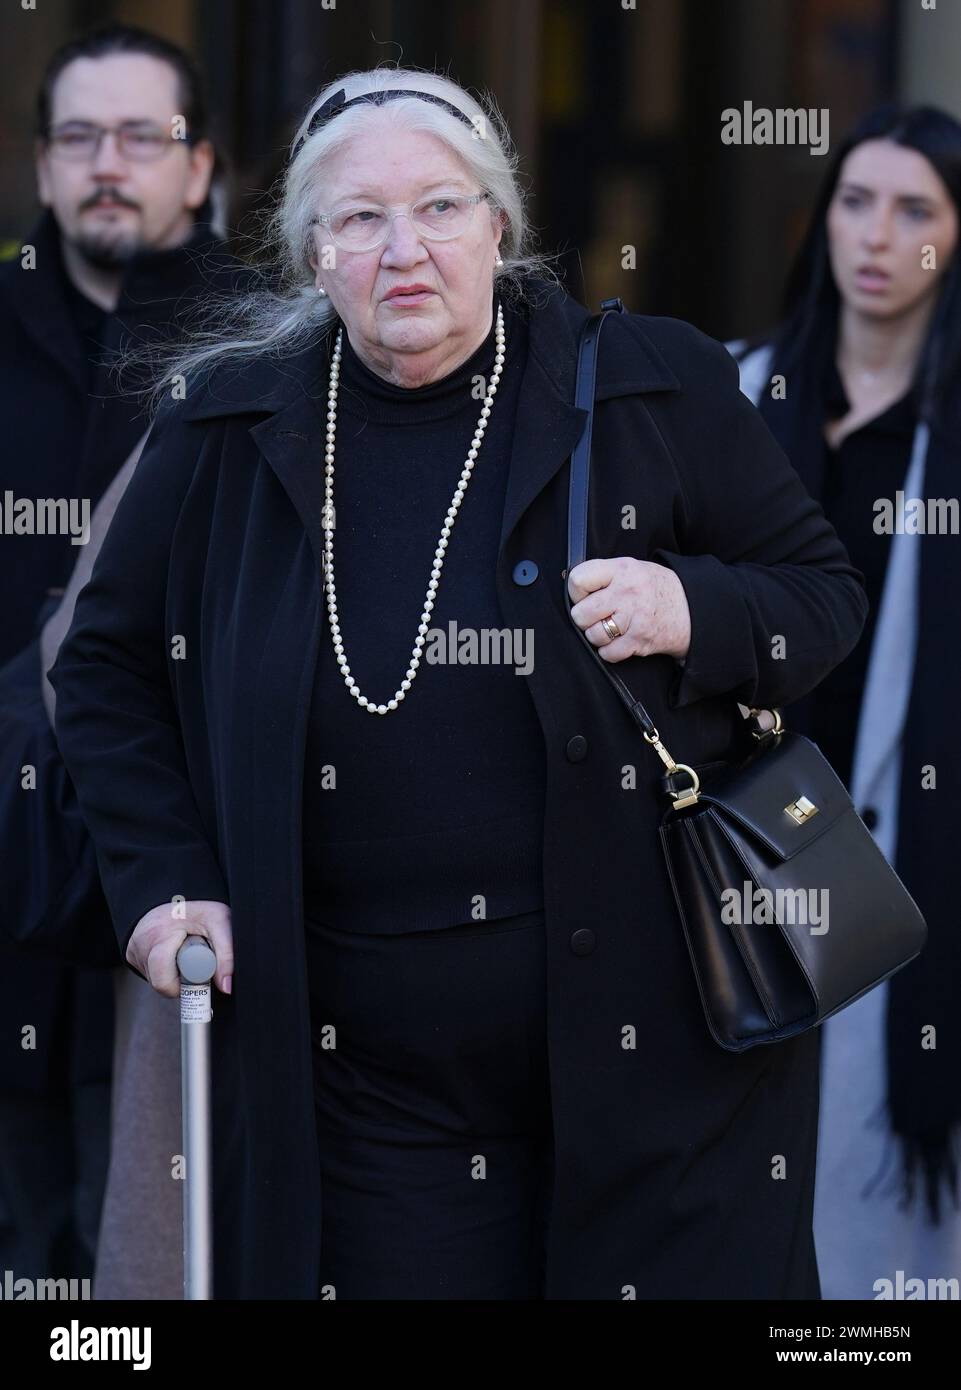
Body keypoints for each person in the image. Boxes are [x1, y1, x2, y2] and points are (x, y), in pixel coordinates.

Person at [50, 66, 868, 1301]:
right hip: (368, 1080)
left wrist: (690, 606)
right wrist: (166, 880)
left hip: (660, 1046)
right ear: (311, 251)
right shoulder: (225, 424)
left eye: (439, 207)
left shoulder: (655, 380)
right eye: (359, 219)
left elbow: (822, 596)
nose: (403, 251)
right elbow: (104, 667)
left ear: (499, 223)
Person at [0, 22, 242, 1296]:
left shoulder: (265, 352)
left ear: (198, 168)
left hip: (179, 855)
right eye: (81, 138)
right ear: (42, 168)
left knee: (155, 1209)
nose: (110, 165)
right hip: (8, 833)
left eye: (142, 138)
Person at [728, 104, 961, 1299]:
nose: (877, 236)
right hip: (740, 858)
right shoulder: (734, 401)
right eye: (855, 202)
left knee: (878, 1248)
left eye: (916, 208)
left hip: (912, 872)